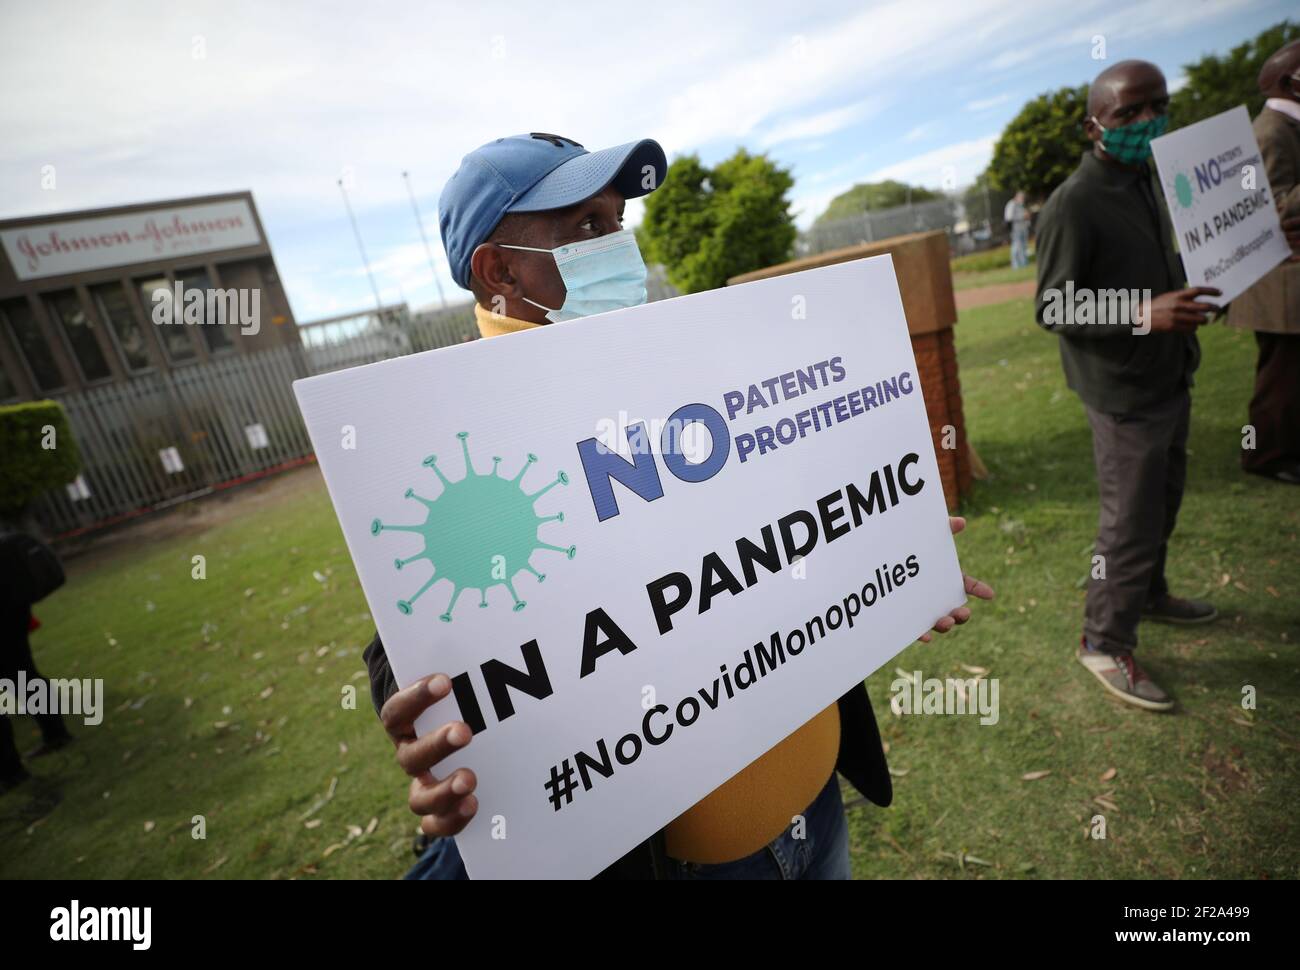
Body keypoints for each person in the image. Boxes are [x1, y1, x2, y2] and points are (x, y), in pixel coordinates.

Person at [363, 132, 995, 879]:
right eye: (586, 228)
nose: (618, 246)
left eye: (618, 222)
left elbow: (785, 529)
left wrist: (890, 561)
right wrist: (435, 730)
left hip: (817, 799)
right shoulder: (459, 447)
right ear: (498, 270)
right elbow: (424, 641)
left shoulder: (680, 360)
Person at [1035, 61, 1221, 713]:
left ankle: (1151, 594)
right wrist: (1145, 312)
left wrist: (1194, 297)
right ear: (1094, 126)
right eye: (1128, 113)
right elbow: (1054, 308)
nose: (1147, 122)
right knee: (1129, 521)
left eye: (1158, 107)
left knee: (1164, 499)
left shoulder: (1155, 178)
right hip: (1122, 392)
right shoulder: (1073, 203)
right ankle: (1104, 641)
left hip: (1170, 373)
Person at [1226, 39, 1300, 486]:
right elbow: (1273, 207)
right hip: (1279, 283)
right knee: (1279, 379)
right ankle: (1264, 455)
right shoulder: (1269, 132)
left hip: (1289, 277)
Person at [1, 532, 73, 793]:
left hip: (6, 605)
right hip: (11, 604)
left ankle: (10, 771)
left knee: (21, 676)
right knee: (22, 675)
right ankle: (55, 733)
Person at [1005, 190, 1031, 268]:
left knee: (1023, 246)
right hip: (1016, 230)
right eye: (1021, 197)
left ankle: (1024, 263)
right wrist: (1022, 216)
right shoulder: (1012, 204)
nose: (1023, 199)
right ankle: (1016, 265)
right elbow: (1009, 217)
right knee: (1017, 246)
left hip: (1023, 229)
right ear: (1017, 196)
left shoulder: (1021, 205)